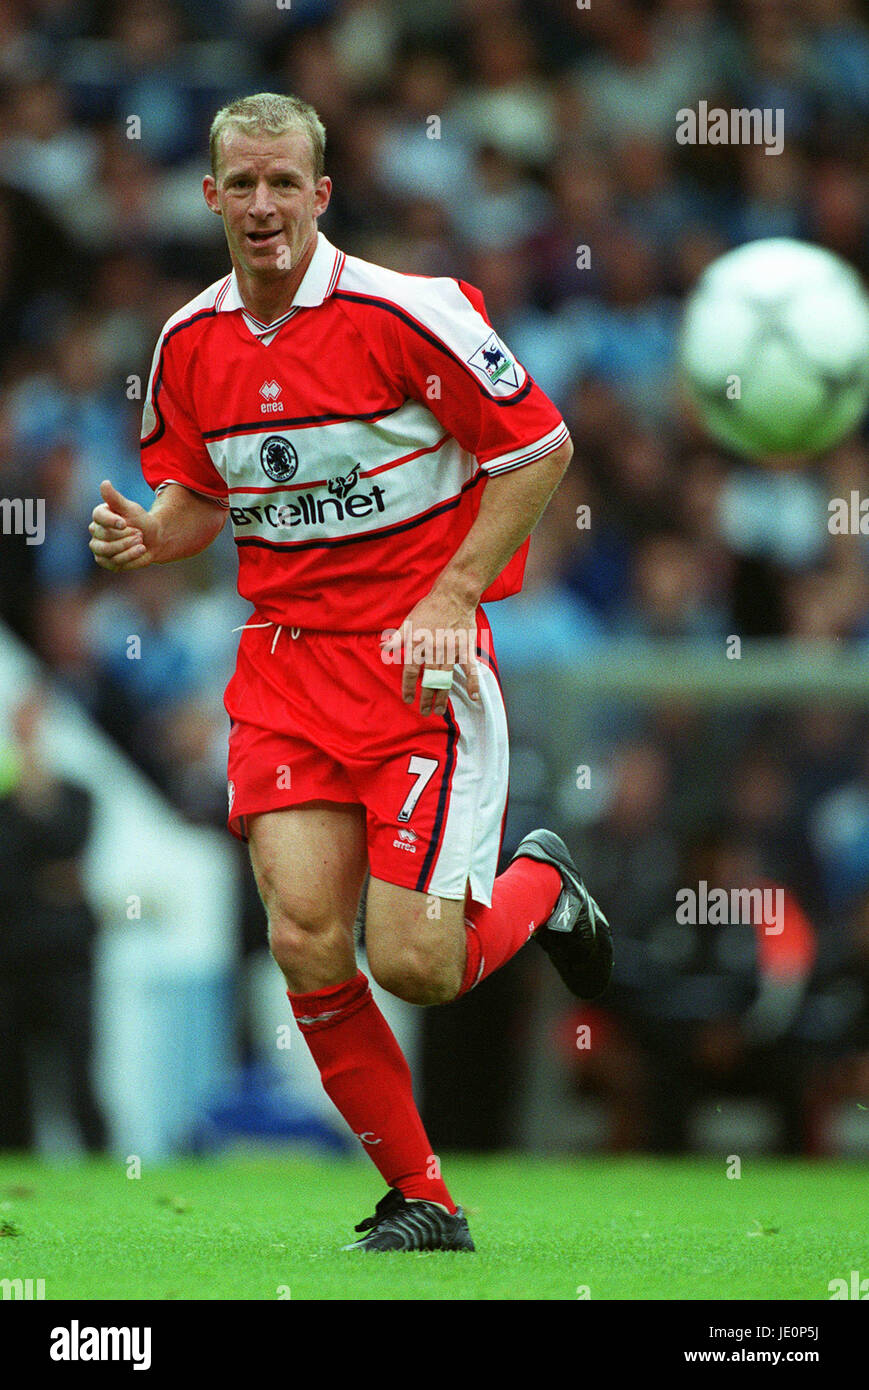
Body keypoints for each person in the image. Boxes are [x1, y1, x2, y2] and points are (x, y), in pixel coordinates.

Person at [88, 92, 611, 1252]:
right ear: (210, 194)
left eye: (287, 182)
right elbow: (200, 505)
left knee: (418, 965)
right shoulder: (187, 342)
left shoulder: (407, 311)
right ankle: (423, 1196)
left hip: (417, 669)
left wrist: (452, 590)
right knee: (302, 935)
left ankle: (541, 889)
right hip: (282, 672)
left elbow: (537, 444)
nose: (264, 204)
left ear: (321, 195)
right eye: (244, 183)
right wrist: (148, 537)